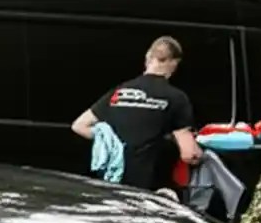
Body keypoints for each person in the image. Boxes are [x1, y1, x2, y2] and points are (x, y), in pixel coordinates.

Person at [71, 35, 202, 192]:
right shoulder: (176, 98)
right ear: (174, 63)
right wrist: (202, 153)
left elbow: (79, 126)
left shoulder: (119, 92)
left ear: (148, 57)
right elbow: (189, 154)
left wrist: (109, 140)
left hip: (111, 183)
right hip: (145, 189)